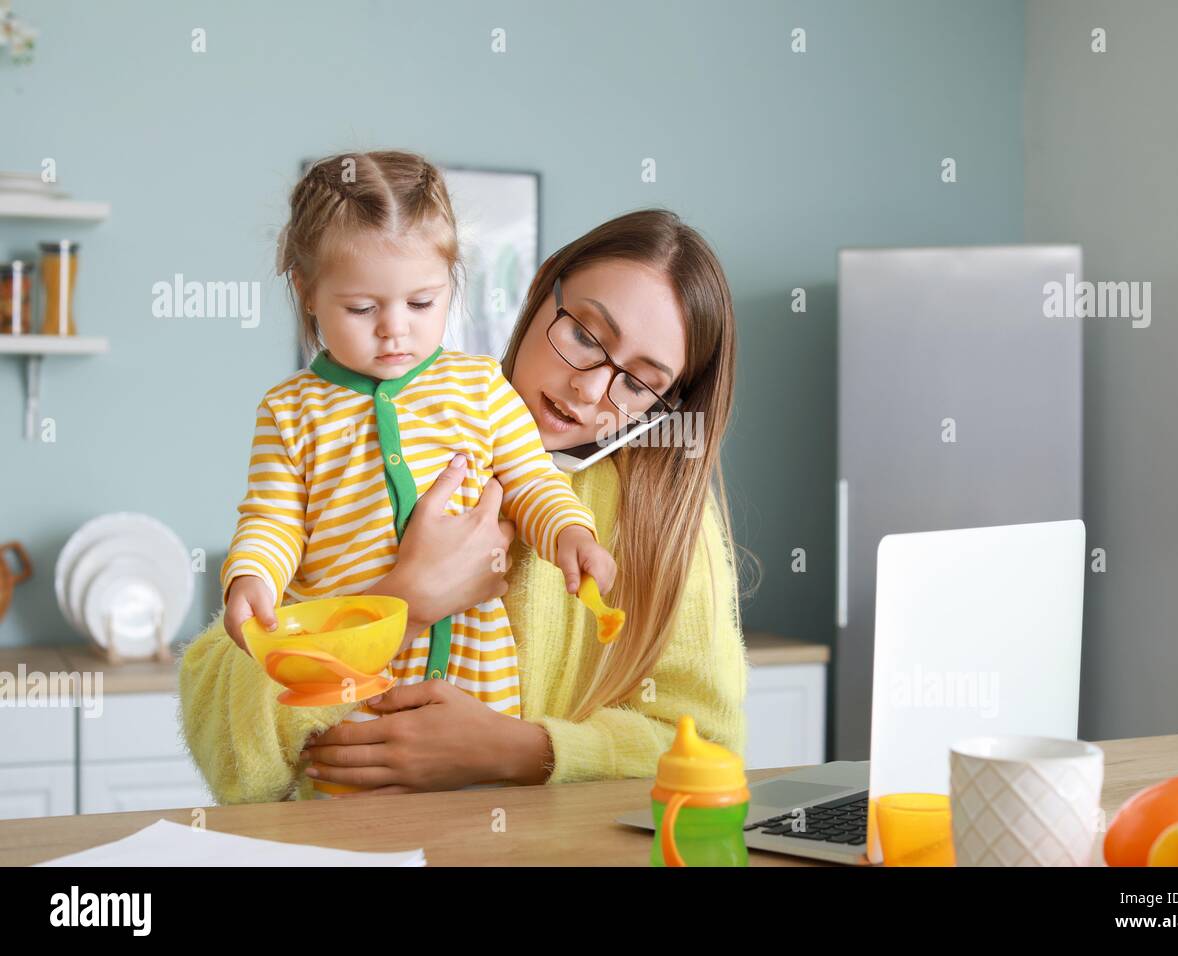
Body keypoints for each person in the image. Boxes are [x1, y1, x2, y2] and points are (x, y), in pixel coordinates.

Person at [179, 206, 752, 801]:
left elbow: (708, 751)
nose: (588, 389)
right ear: (539, 288)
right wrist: (403, 602)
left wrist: (518, 751)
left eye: (639, 383)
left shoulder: (664, 521)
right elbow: (224, 739)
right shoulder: (332, 428)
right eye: (583, 335)